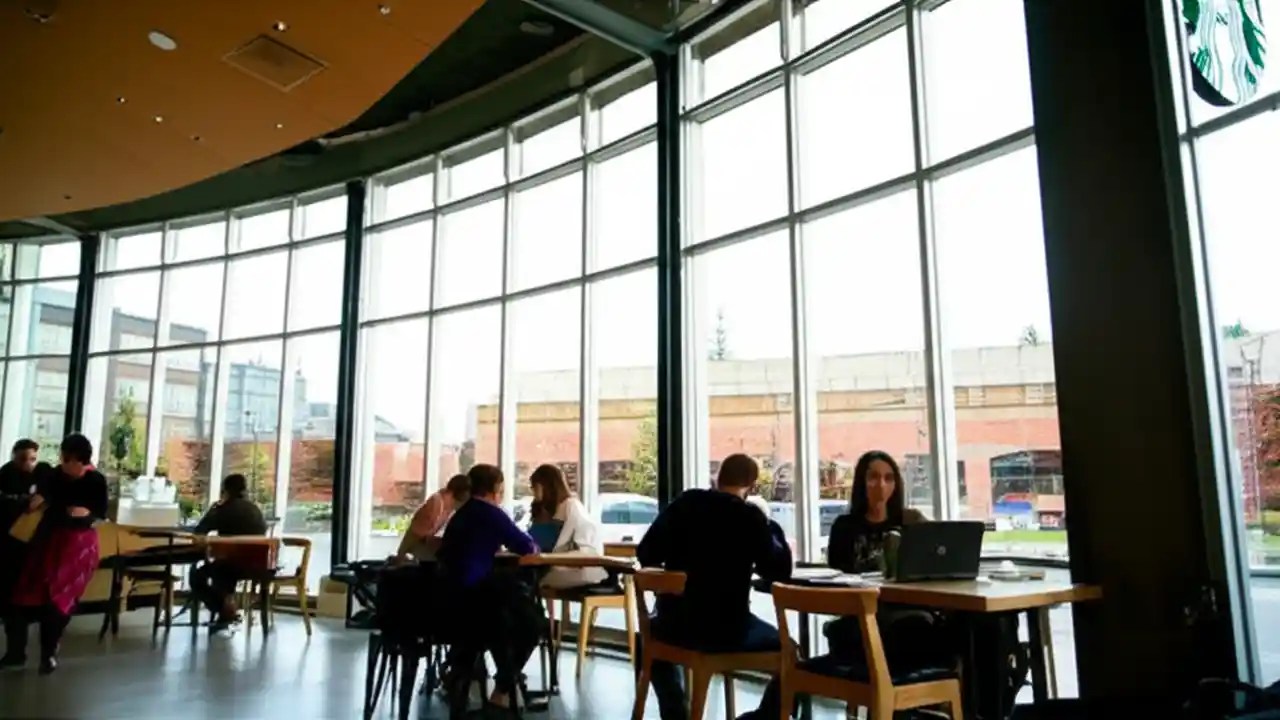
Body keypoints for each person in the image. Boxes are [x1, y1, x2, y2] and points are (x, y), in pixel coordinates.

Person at [740, 450, 942, 720]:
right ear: (861, 483)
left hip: (905, 617)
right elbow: (838, 576)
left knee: (962, 631)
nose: (881, 485)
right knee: (926, 636)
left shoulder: (912, 522)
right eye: (873, 477)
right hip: (862, 622)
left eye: (888, 478)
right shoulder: (845, 527)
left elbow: (938, 559)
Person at [636, 453, 792, 720]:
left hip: (672, 623)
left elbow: (645, 552)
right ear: (752, 486)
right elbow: (778, 570)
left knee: (647, 639)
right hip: (725, 630)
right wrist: (771, 527)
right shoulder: (748, 516)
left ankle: (676, 714)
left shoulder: (685, 503)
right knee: (791, 652)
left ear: (718, 478)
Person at [3, 434, 108, 674]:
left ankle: (48, 653)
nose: (64, 463)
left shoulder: (95, 480)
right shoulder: (54, 475)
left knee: (58, 600)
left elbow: (101, 513)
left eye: (68, 459)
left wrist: (87, 514)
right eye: (63, 457)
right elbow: (42, 496)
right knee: (27, 595)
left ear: (80, 461)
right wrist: (36, 500)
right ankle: (20, 653)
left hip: (78, 546)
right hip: (49, 540)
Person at [438, 464, 539, 711]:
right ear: (496, 488)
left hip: (447, 603)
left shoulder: (461, 514)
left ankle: (468, 674)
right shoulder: (491, 513)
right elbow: (527, 547)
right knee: (532, 624)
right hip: (477, 604)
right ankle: (503, 688)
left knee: (506, 615)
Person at [189, 474, 268, 635]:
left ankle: (224, 608)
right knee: (221, 571)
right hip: (258, 565)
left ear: (225, 490)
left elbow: (199, 531)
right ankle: (226, 608)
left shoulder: (223, 509)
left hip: (230, 565)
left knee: (197, 575)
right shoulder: (255, 510)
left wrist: (214, 509)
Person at [527, 464, 606, 589]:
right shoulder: (546, 510)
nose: (533, 492)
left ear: (545, 486)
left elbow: (586, 545)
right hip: (551, 563)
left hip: (571, 567)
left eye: (535, 487)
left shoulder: (570, 506)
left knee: (522, 578)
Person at [396, 473, 469, 562]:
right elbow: (417, 534)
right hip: (414, 549)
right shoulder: (436, 504)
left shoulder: (448, 506)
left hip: (416, 548)